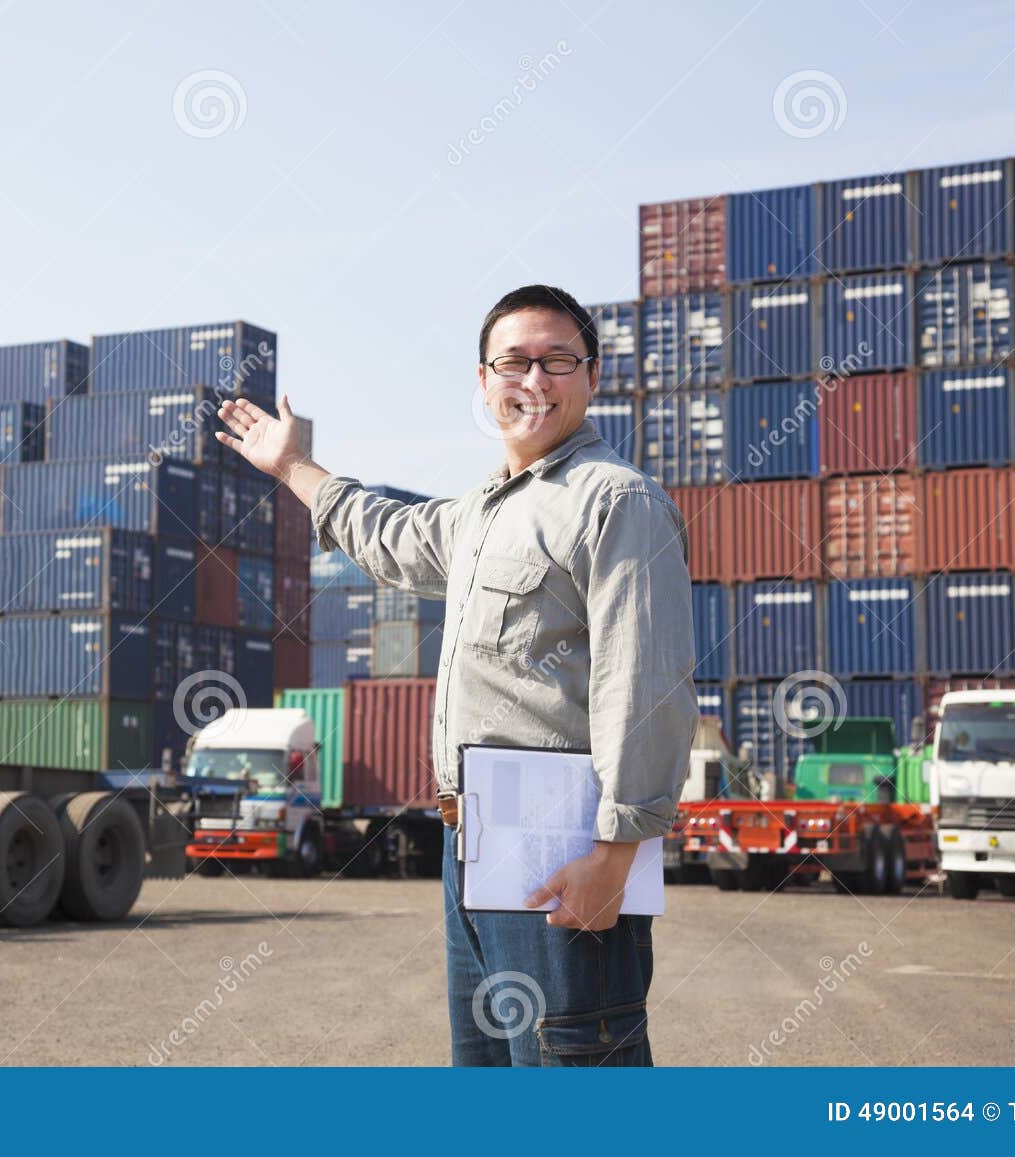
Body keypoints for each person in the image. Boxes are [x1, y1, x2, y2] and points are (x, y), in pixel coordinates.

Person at [216, 284, 697, 1067]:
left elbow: (646, 684)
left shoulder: (616, 502)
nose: (533, 380)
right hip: (469, 845)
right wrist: (293, 464)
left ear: (593, 376)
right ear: (483, 380)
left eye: (557, 361)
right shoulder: (478, 514)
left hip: (563, 850)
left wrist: (615, 857)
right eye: (513, 362)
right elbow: (383, 534)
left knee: (576, 1069)